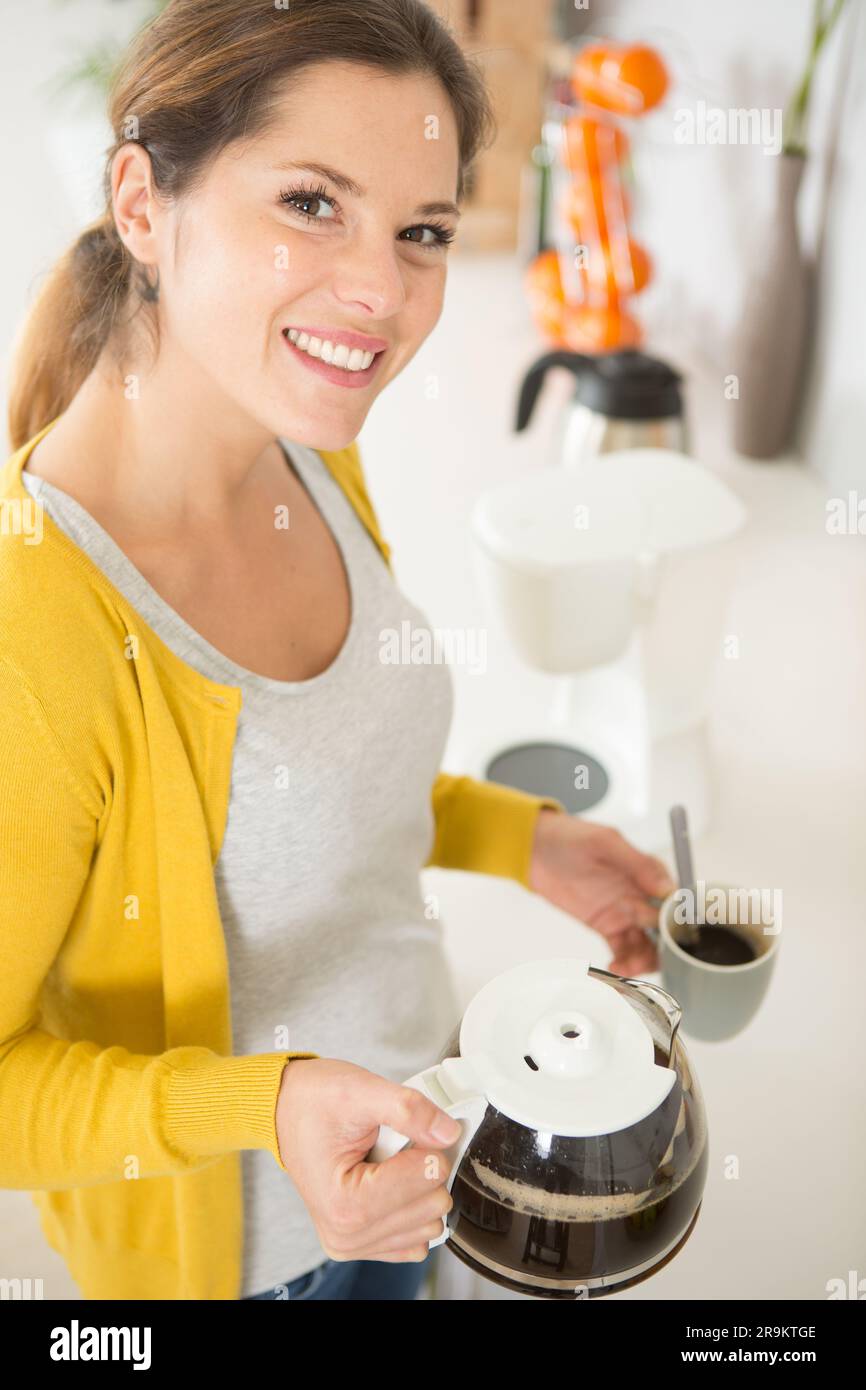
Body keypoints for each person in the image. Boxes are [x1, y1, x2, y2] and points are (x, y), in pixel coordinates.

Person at [0, 0, 675, 1302]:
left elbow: (303, 785)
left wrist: (512, 835)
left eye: (420, 230)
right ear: (142, 202)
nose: (382, 293)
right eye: (311, 201)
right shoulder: (36, 636)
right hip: (251, 1254)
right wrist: (271, 1101)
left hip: (416, 1122)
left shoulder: (304, 440)